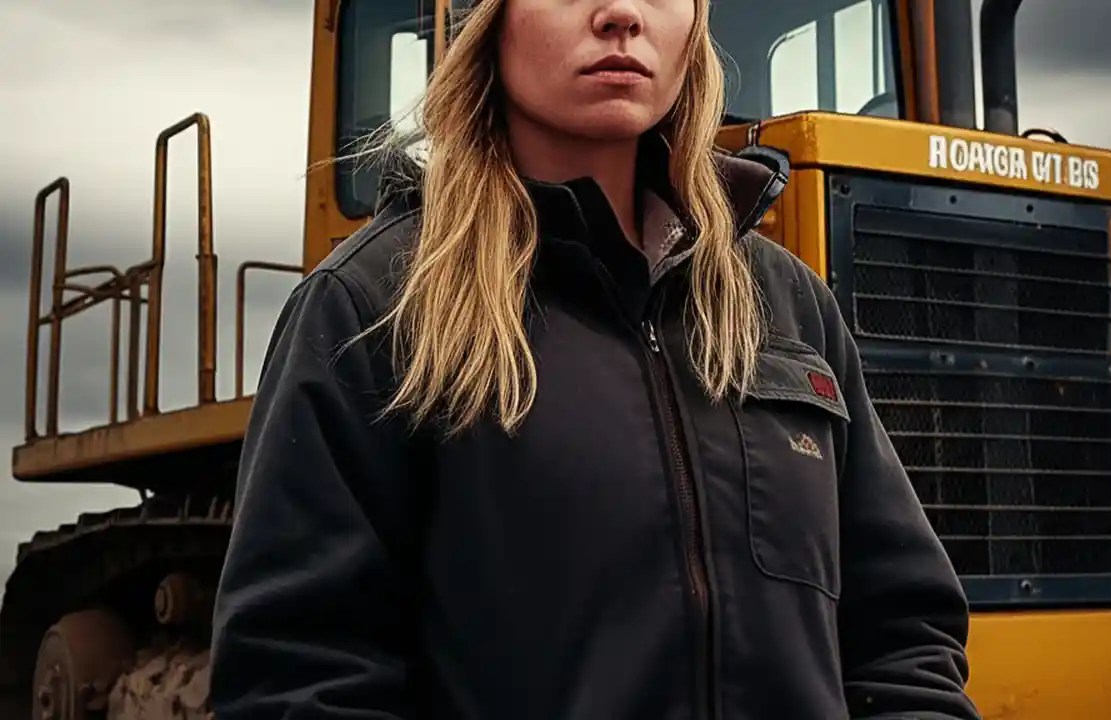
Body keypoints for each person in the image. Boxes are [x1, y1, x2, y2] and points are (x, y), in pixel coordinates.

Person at [208, 0, 981, 717]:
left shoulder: (786, 304)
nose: (620, 13)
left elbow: (904, 633)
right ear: (488, 19)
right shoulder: (371, 309)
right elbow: (300, 675)